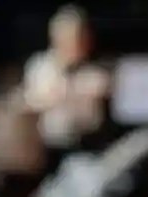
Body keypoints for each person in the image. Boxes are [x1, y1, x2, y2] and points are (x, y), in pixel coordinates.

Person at [23, 5, 111, 174]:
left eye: (81, 37)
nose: (76, 43)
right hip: (44, 151)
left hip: (85, 150)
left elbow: (93, 117)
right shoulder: (40, 67)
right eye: (70, 37)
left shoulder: (96, 74)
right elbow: (35, 101)